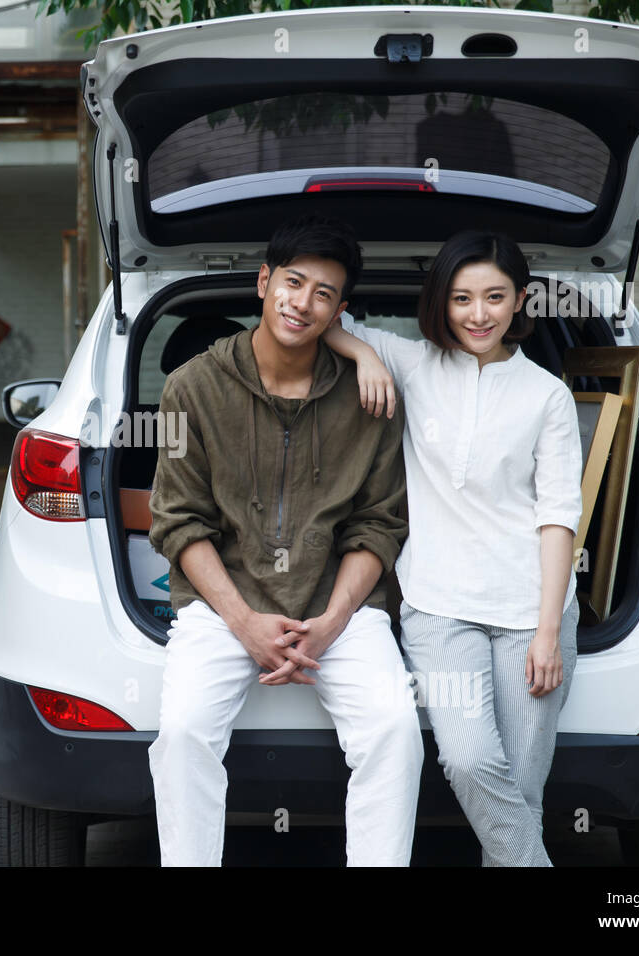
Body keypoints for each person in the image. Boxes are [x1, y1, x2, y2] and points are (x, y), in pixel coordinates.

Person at [147, 213, 423, 867]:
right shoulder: (191, 388)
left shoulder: (371, 399)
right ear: (265, 281)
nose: (303, 302)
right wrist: (243, 622)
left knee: (395, 732)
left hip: (338, 606)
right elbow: (178, 521)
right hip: (223, 606)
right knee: (182, 733)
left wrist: (329, 622)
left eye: (323, 293)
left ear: (339, 311)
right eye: (293, 283)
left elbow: (379, 524)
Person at [321, 229, 583, 866]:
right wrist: (365, 355)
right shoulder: (412, 364)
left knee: (520, 789)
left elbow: (557, 517)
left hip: (533, 611)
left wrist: (548, 631)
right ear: (442, 302)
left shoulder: (547, 394)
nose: (479, 314)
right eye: (463, 298)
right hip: (439, 609)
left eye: (495, 297)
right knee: (469, 762)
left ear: (520, 300)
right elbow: (322, 316)